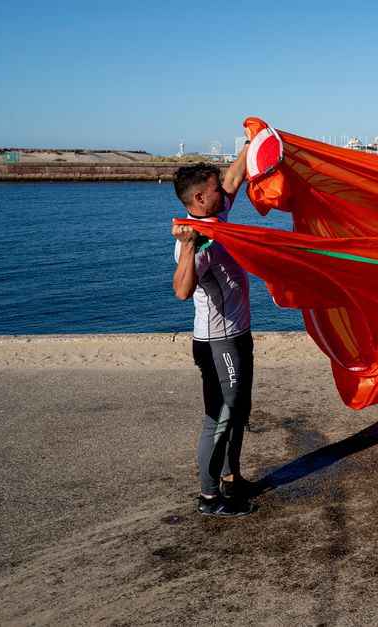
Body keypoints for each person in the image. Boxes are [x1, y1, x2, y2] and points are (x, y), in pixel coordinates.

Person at [171, 150, 258, 516]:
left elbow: (235, 178)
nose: (223, 192)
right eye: (214, 189)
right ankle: (209, 498)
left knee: (238, 411)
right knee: (219, 416)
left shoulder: (216, 217)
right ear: (199, 199)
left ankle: (231, 478)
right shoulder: (197, 242)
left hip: (238, 335)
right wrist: (190, 245)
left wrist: (254, 140)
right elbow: (181, 290)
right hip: (217, 343)